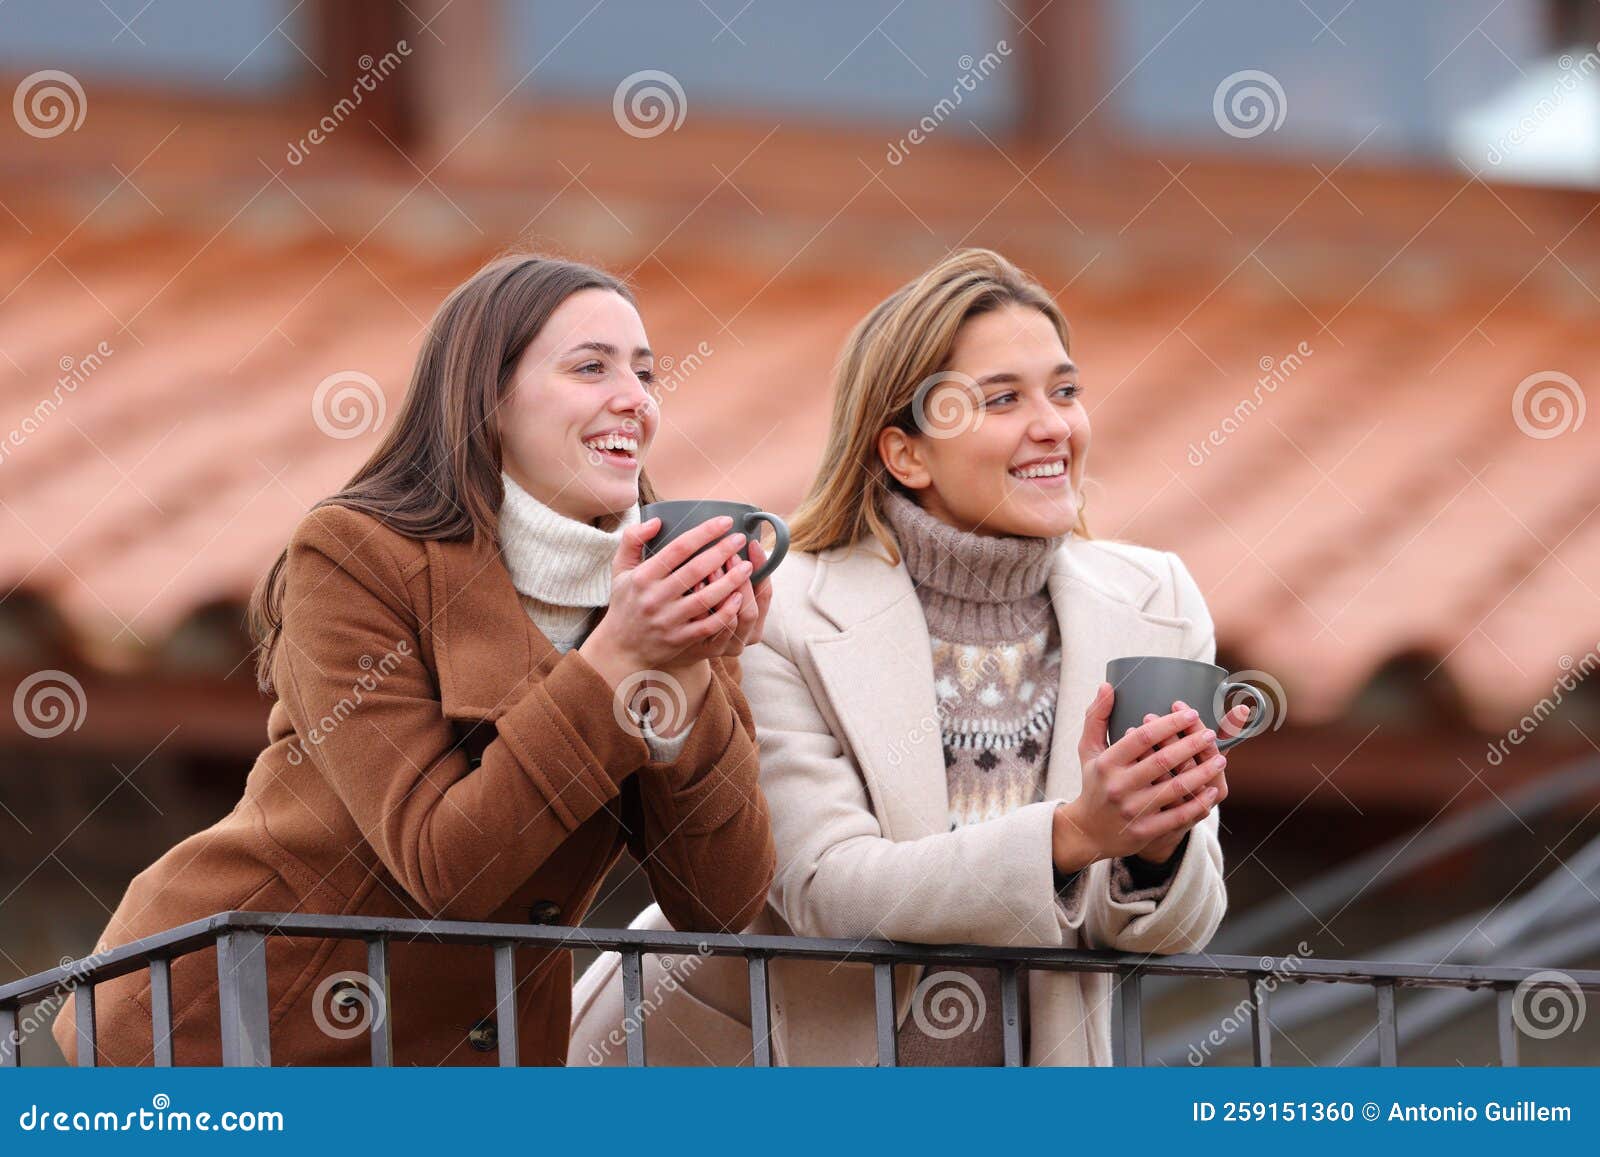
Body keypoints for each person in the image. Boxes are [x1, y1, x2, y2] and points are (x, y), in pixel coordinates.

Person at [52, 253, 775, 1066]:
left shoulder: (657, 595)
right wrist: (616, 660)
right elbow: (444, 869)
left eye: (645, 374)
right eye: (590, 367)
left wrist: (679, 671)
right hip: (239, 1030)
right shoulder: (355, 556)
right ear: (489, 399)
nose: (634, 400)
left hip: (472, 1064)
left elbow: (723, 902)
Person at [569, 248, 1241, 1066]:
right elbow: (826, 888)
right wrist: (1072, 834)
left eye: (1065, 391)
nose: (1055, 424)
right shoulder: (787, 613)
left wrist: (1154, 842)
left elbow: (1173, 926)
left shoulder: (1156, 602)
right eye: (1003, 399)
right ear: (906, 454)